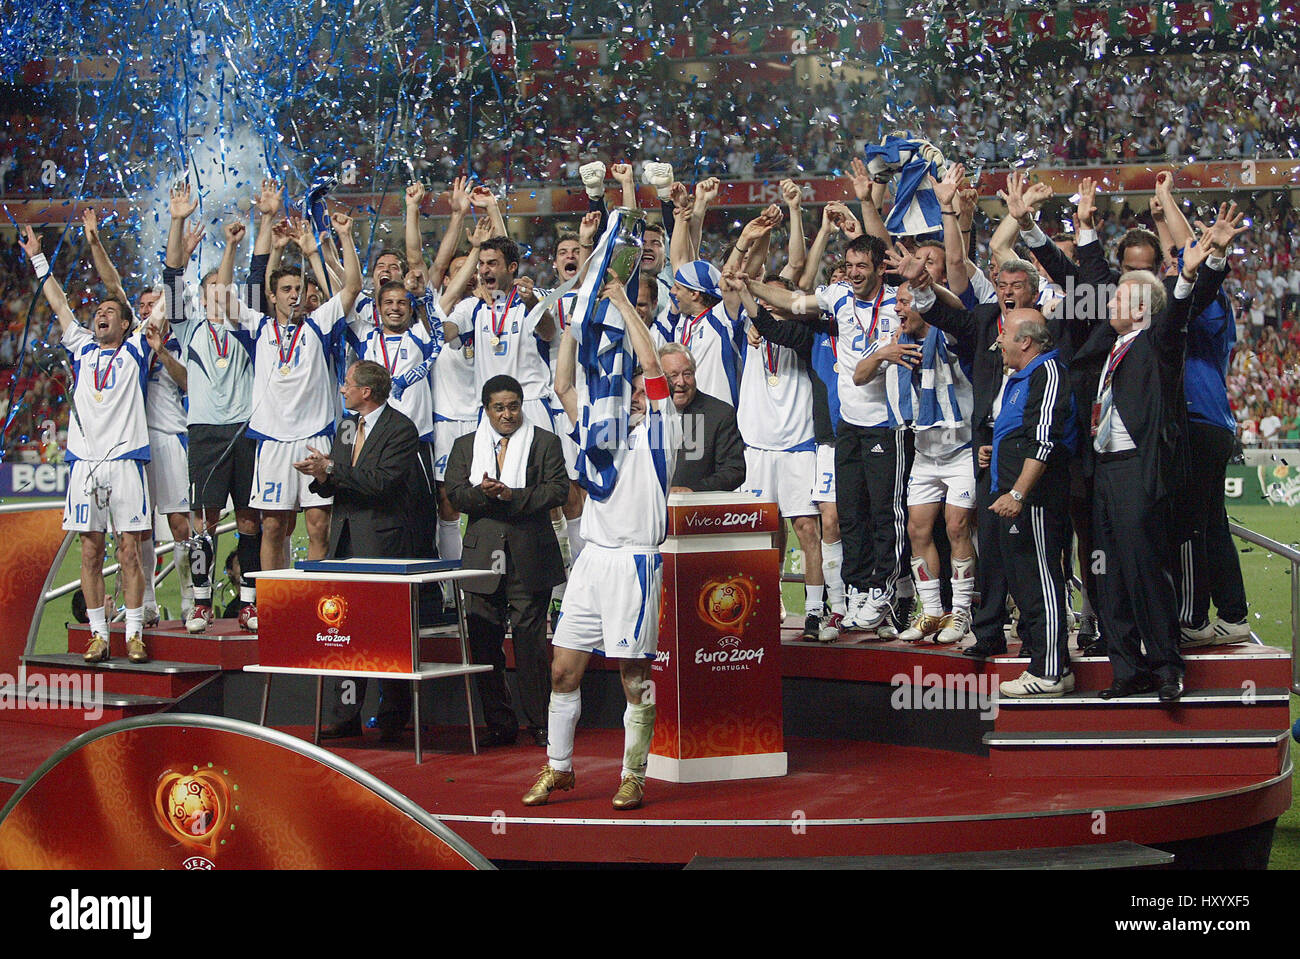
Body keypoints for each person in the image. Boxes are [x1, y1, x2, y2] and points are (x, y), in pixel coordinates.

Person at [523, 277, 681, 811]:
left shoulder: (663, 431)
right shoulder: (599, 434)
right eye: (630, 387)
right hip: (591, 561)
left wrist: (619, 302)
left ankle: (633, 774)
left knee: (634, 676)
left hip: (635, 563)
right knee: (562, 670)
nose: (634, 390)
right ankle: (559, 769)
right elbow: (565, 386)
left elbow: (655, 368)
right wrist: (575, 320)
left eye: (637, 387)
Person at [1085, 205, 1242, 703]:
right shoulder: (1110, 348)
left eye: (1120, 296)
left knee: (1147, 571)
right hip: (1105, 469)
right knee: (1108, 576)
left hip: (1136, 470)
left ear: (1141, 307)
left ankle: (1168, 668)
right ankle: (1126, 669)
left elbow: (1176, 312)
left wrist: (1199, 269)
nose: (1110, 301)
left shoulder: (1158, 342)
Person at [217, 208, 363, 629]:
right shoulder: (257, 329)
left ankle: (316, 606)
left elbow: (352, 286)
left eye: (299, 288)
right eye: (286, 289)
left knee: (318, 526)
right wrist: (230, 247)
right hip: (273, 444)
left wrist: (343, 237)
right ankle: (276, 608)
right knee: (272, 528)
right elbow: (224, 297)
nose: (295, 295)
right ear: (274, 295)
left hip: (315, 441)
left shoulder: (318, 325)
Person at [22, 224, 154, 663]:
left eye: (110, 311)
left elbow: (166, 303)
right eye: (98, 310)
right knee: (91, 549)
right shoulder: (80, 347)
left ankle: (134, 632)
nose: (101, 315)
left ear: (124, 323)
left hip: (126, 462)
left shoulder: (137, 349)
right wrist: (39, 257)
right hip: (85, 466)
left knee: (130, 550)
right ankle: (99, 633)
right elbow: (58, 302)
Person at [294, 360, 421, 741]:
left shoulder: (401, 429)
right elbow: (339, 484)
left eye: (347, 383)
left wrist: (333, 468)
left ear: (366, 391)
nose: (342, 389)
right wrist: (321, 475)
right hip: (344, 540)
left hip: (383, 542)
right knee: (342, 630)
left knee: (385, 630)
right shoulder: (347, 426)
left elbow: (381, 482)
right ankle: (344, 715)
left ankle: (393, 717)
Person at [444, 374, 569, 748]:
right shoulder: (465, 445)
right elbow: (454, 494)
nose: (507, 414)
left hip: (529, 557)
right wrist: (486, 496)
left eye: (513, 406)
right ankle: (499, 722)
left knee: (530, 647)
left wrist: (512, 496)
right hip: (482, 559)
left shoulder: (545, 442)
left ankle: (541, 722)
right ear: (486, 410)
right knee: (485, 646)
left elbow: (558, 490)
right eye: (499, 407)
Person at [660, 344, 745, 493]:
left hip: (696, 509)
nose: (681, 382)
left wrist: (693, 490)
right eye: (673, 376)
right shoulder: (646, 413)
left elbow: (734, 471)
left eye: (687, 374)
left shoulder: (719, 414)